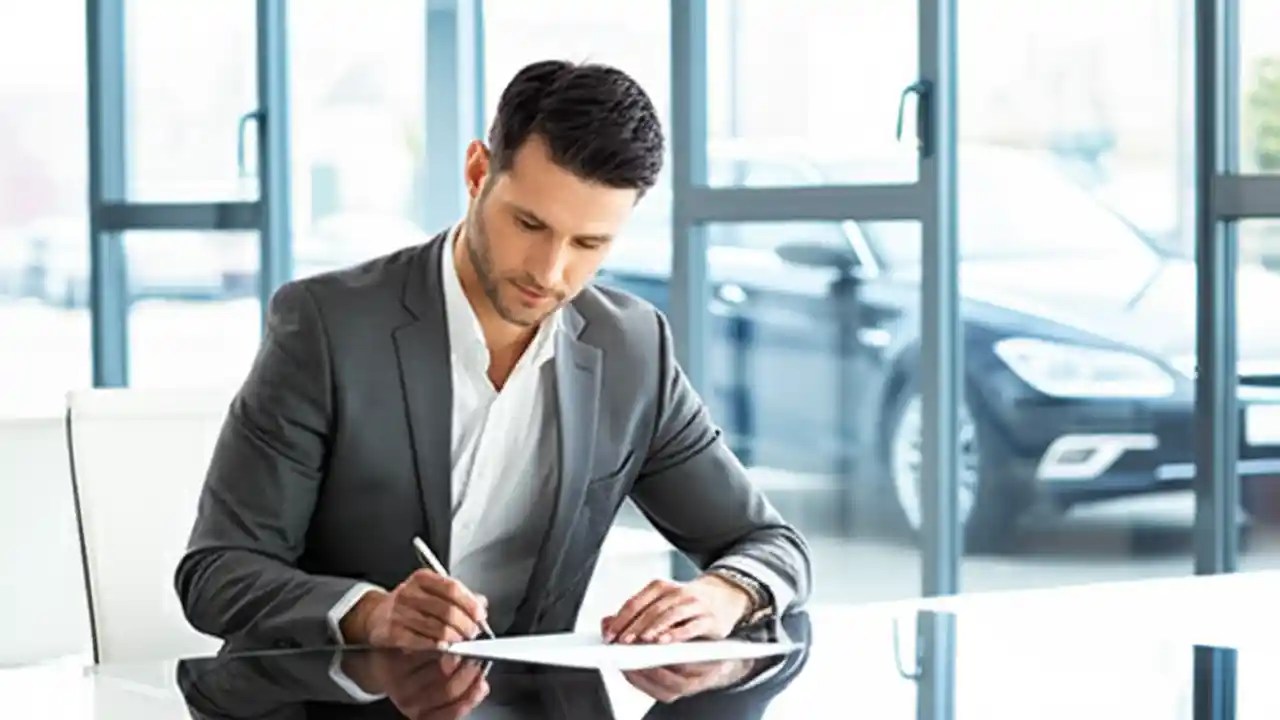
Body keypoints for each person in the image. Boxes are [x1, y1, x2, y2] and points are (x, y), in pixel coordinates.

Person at [175, 59, 812, 653]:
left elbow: (769, 543)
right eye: (529, 225)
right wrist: (371, 613)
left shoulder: (633, 349)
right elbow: (218, 570)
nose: (550, 271)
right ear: (478, 173)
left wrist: (726, 593)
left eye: (589, 243)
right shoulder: (328, 326)